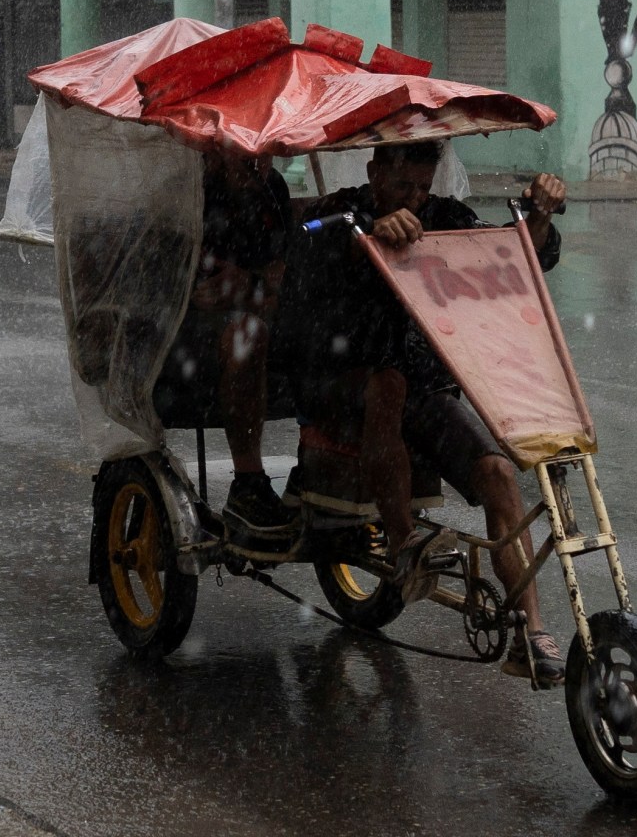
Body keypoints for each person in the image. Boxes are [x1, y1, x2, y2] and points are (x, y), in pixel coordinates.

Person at [291, 141, 568, 687]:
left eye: (422, 187)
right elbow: (328, 236)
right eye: (402, 188)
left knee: (496, 473)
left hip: (420, 389)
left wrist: (539, 214)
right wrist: (369, 229)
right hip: (343, 384)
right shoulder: (340, 210)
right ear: (374, 172)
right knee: (388, 384)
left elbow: (507, 251)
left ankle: (530, 631)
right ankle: (402, 545)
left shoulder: (444, 216)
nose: (415, 200)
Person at [167, 145, 296, 539]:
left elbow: (280, 271)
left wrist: (251, 284)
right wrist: (245, 287)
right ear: (216, 147)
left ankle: (319, 469)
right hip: (180, 332)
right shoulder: (188, 193)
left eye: (266, 150)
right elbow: (193, 288)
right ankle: (248, 483)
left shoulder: (271, 188)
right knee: (249, 333)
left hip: (248, 311)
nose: (257, 162)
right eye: (245, 150)